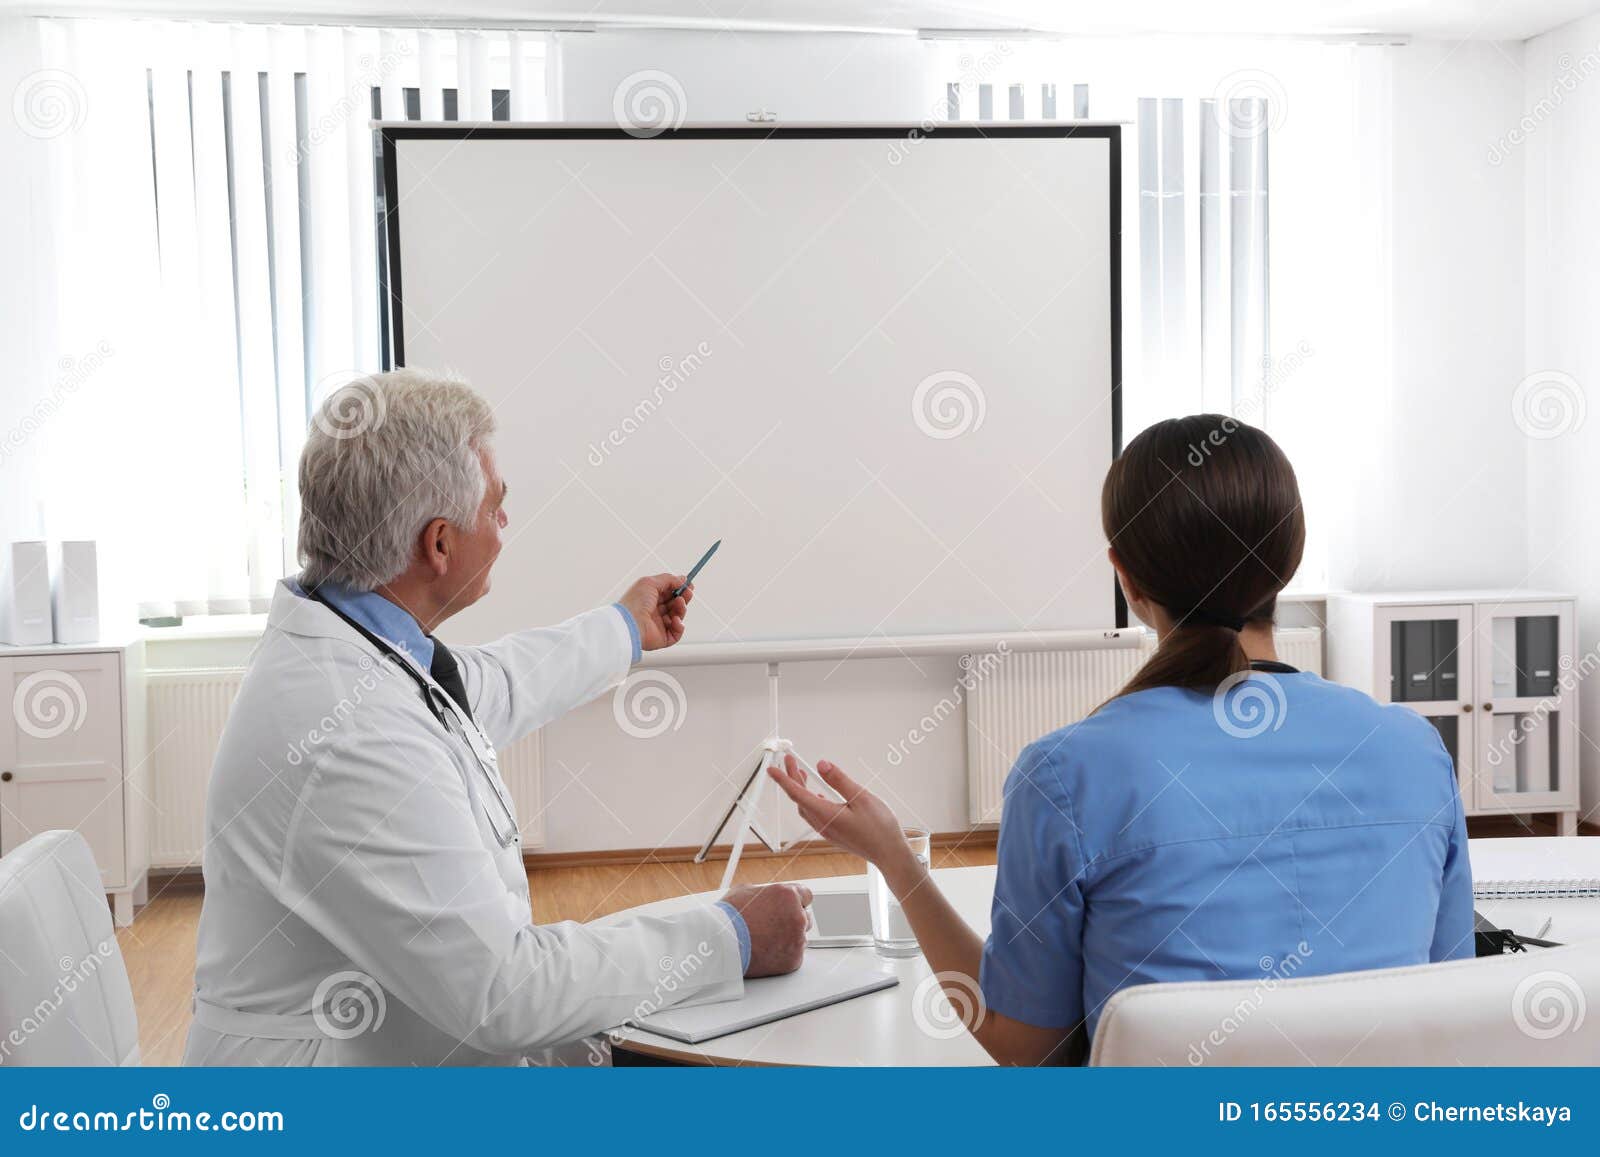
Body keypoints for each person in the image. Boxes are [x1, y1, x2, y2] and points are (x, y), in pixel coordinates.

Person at [771, 414, 1473, 1065]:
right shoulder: (1413, 750)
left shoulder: (1067, 773)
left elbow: (1027, 1048)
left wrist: (897, 860)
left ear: (1126, 577)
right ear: (1287, 561)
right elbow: (1449, 1002)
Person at [183, 369, 809, 1067]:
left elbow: (493, 685)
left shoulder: (362, 645)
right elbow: (503, 990)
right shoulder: (344, 726)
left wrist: (625, 627)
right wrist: (729, 936)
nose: (506, 523)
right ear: (440, 543)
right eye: (497, 506)